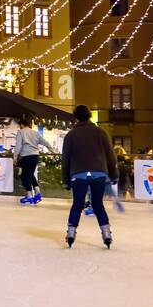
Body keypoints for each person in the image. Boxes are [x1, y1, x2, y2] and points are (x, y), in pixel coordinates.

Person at [61, 104, 117, 249]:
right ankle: (107, 234)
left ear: (76, 117)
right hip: (99, 173)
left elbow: (65, 159)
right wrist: (114, 174)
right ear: (89, 115)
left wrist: (66, 181)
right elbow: (110, 156)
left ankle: (71, 233)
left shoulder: (70, 135)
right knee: (98, 205)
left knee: (77, 205)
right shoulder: (100, 132)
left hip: (78, 175)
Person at [14, 115, 52, 205]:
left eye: (19, 125)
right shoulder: (35, 132)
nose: (19, 127)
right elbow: (45, 142)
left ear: (22, 125)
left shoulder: (21, 132)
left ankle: (29, 196)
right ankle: (37, 193)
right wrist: (52, 150)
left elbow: (18, 145)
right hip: (35, 156)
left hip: (26, 156)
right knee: (30, 174)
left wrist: (15, 157)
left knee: (24, 176)